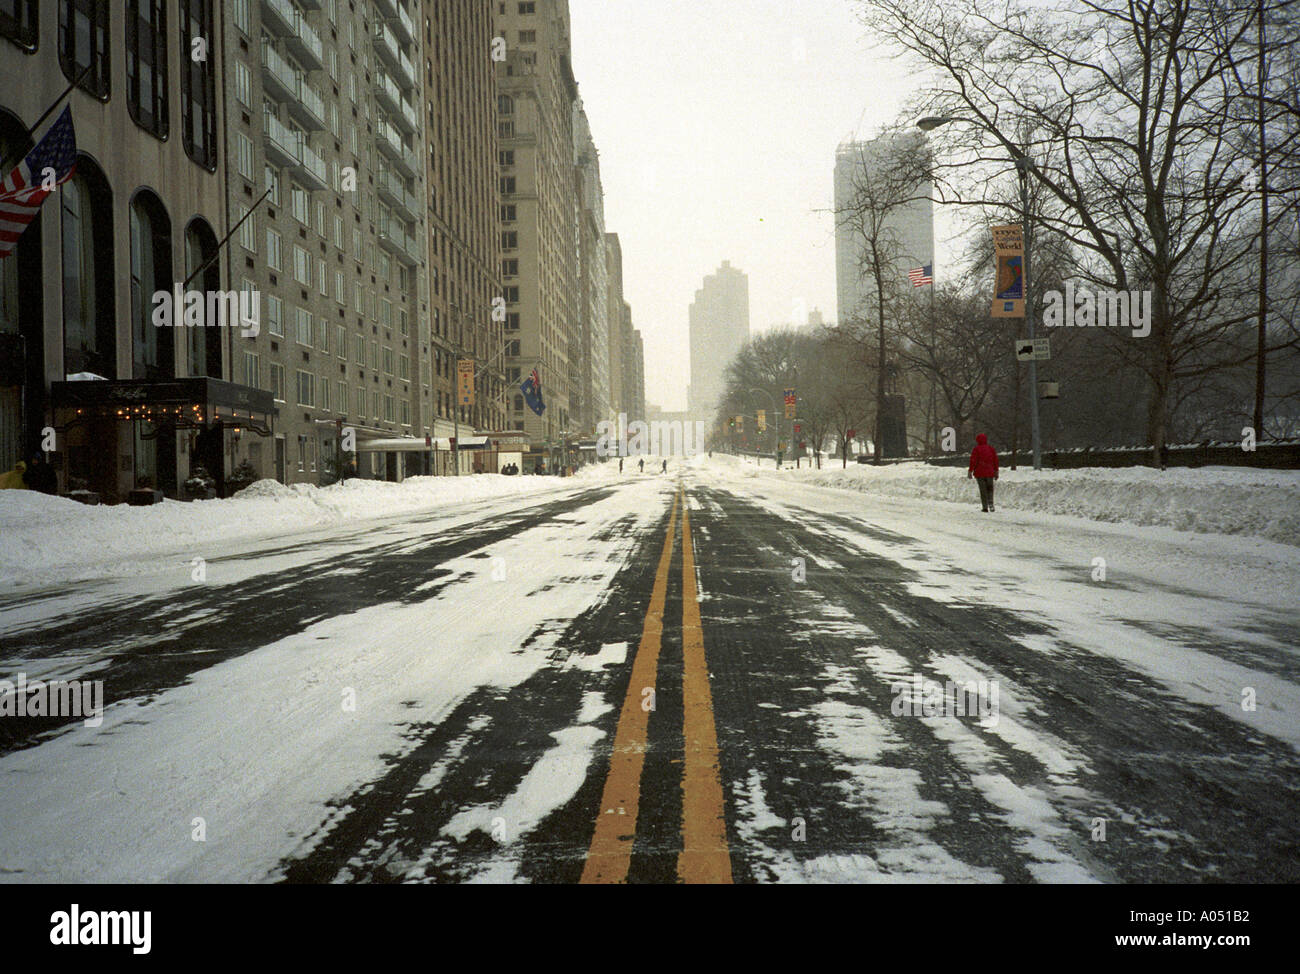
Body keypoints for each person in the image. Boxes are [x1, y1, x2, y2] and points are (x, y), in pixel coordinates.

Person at [968, 433, 999, 512]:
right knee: (990, 489)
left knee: (983, 490)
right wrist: (996, 471)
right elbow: (995, 461)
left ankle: (985, 507)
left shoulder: (976, 449)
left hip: (980, 473)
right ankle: (991, 504)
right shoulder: (991, 449)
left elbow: (973, 461)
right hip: (990, 473)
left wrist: (970, 471)